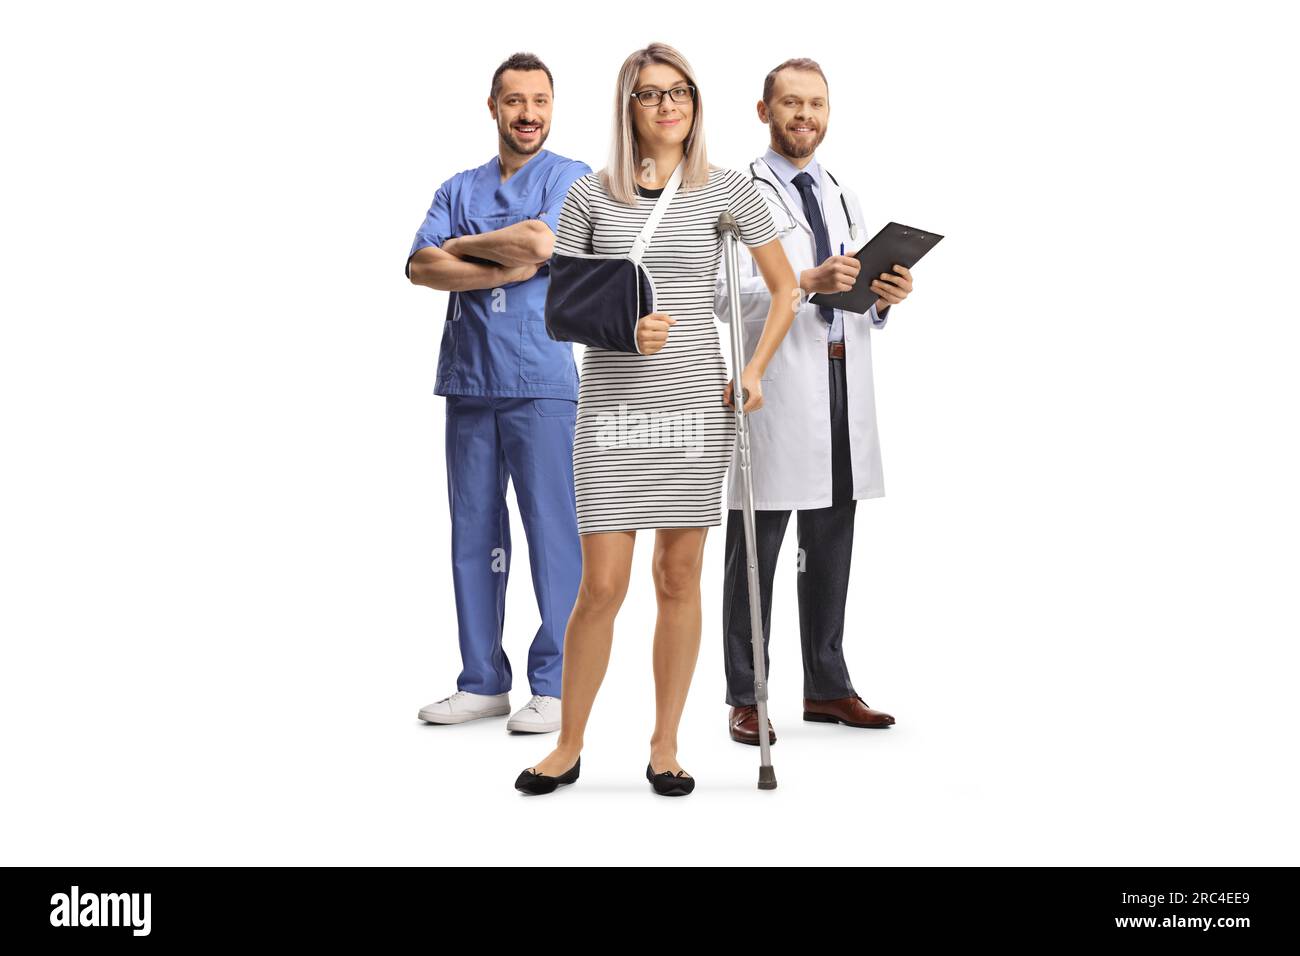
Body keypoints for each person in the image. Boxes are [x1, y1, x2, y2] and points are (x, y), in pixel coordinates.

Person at [514, 42, 797, 796]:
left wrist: (755, 369)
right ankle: (567, 744)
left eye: (680, 92)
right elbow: (558, 310)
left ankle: (666, 744)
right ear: (627, 106)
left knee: (679, 575)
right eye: (650, 94)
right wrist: (619, 327)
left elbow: (784, 289)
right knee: (601, 587)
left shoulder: (727, 190)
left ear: (696, 104)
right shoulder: (588, 196)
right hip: (611, 404)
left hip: (695, 401)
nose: (668, 105)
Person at [713, 58, 915, 746]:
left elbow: (850, 295)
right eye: (792, 104)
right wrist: (803, 278)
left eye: (817, 105)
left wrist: (882, 298)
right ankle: (746, 693)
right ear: (764, 110)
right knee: (757, 548)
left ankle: (827, 686)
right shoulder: (738, 194)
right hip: (777, 391)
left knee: (830, 541)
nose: (805, 116)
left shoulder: (843, 194)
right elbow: (721, 297)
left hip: (839, 382)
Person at [406, 53, 591, 734]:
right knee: (475, 532)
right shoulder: (458, 184)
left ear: (552, 107)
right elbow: (422, 266)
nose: (528, 114)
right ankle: (482, 681)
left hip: (541, 380)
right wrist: (499, 260)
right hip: (469, 379)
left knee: (551, 532)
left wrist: (466, 250)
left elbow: (542, 241)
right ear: (493, 107)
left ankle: (558, 682)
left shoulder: (569, 177)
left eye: (540, 101)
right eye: (515, 101)